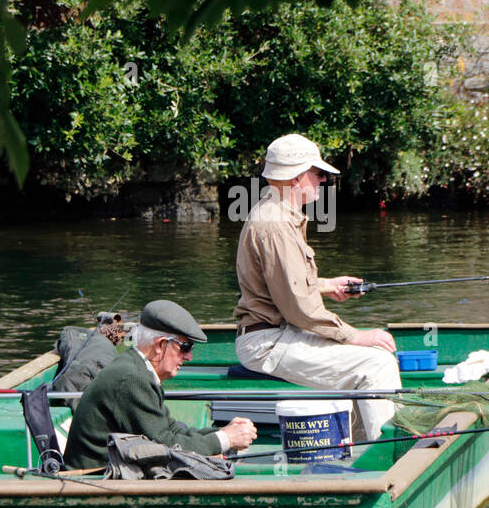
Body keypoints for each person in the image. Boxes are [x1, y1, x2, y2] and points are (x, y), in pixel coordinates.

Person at [233, 133, 401, 442]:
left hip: (277, 334)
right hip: (268, 342)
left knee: (365, 362)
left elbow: (283, 285)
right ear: (296, 178)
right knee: (377, 364)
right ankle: (386, 456)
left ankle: (357, 452)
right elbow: (299, 309)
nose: (323, 180)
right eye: (318, 173)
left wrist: (325, 285)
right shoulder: (275, 226)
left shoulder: (275, 213)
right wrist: (358, 335)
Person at [64, 299, 257, 470]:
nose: (189, 357)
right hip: (92, 481)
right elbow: (168, 447)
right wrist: (225, 440)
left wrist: (222, 432)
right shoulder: (132, 378)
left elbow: (172, 430)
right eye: (185, 347)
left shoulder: (137, 368)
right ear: (160, 345)